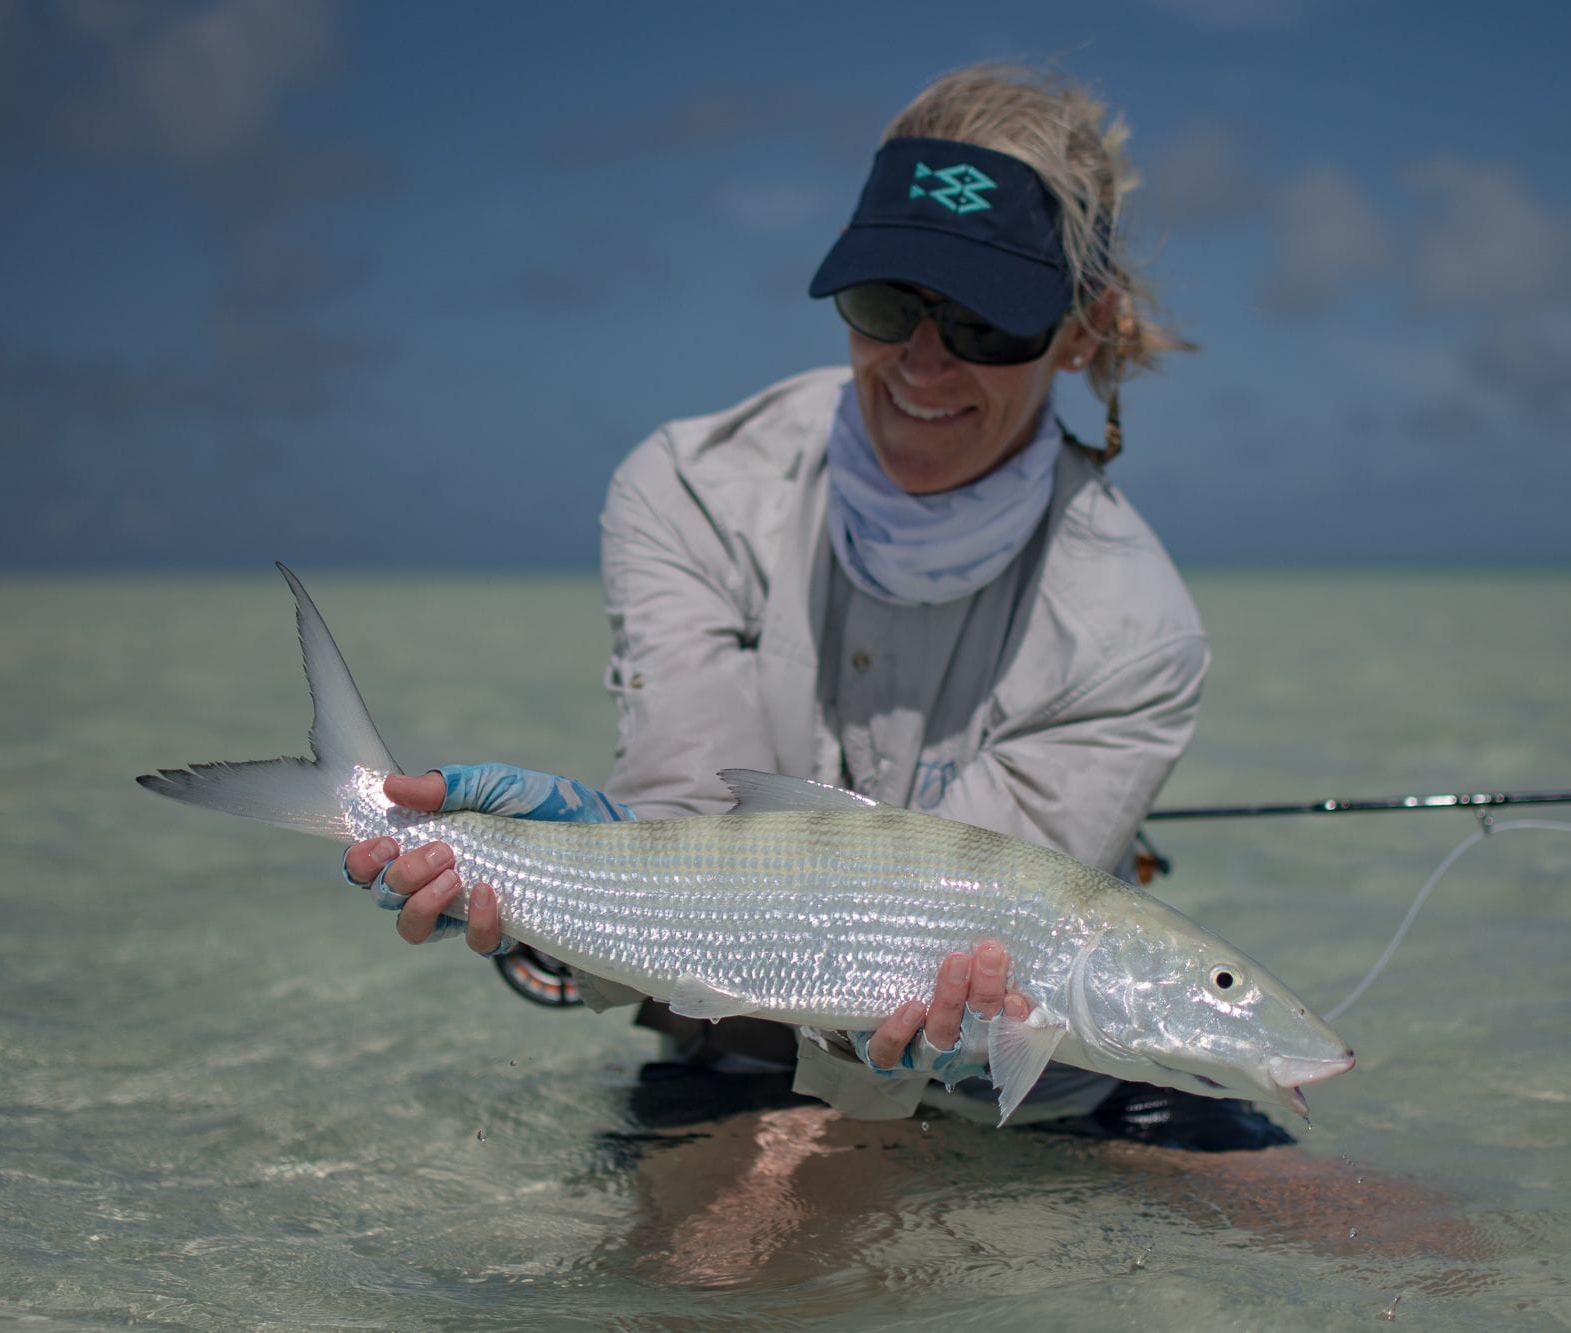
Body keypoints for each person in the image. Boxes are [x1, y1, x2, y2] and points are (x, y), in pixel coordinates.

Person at [344, 64, 1285, 1146]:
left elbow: (940, 974)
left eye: (984, 323)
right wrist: (543, 902)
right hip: (733, 1065)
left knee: (1419, 1257)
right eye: (886, 304)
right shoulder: (689, 490)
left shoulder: (1133, 624)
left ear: (1082, 331)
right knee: (726, 1278)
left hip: (1025, 1093)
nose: (922, 362)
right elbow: (686, 852)